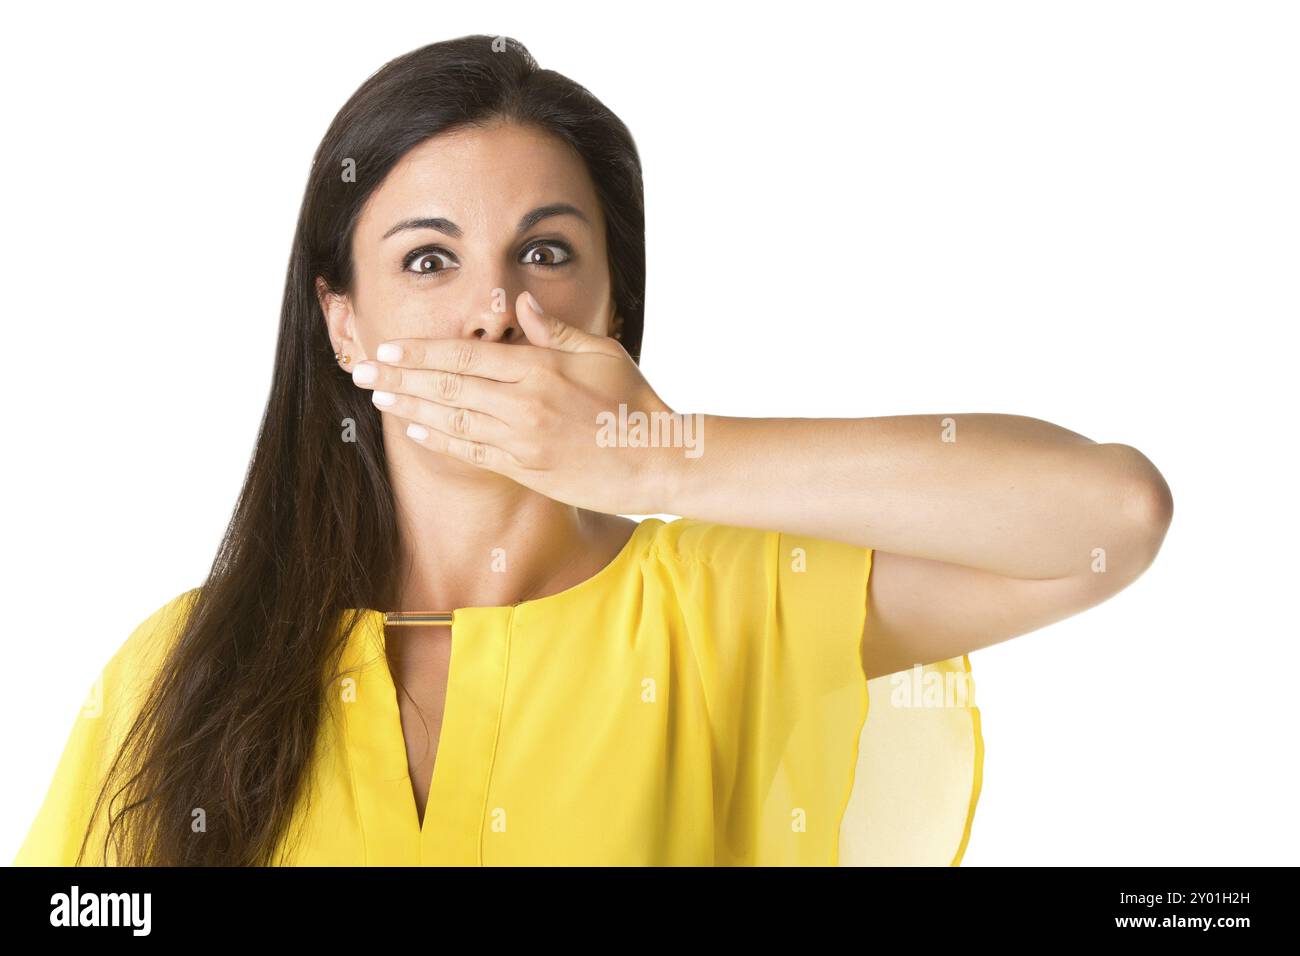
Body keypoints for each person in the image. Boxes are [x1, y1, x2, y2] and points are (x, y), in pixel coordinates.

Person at [13, 34, 1172, 867]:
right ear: (342, 322)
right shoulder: (184, 664)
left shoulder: (721, 607)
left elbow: (1110, 515)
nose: (493, 309)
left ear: (615, 305)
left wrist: (655, 455)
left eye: (548, 253)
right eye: (428, 259)